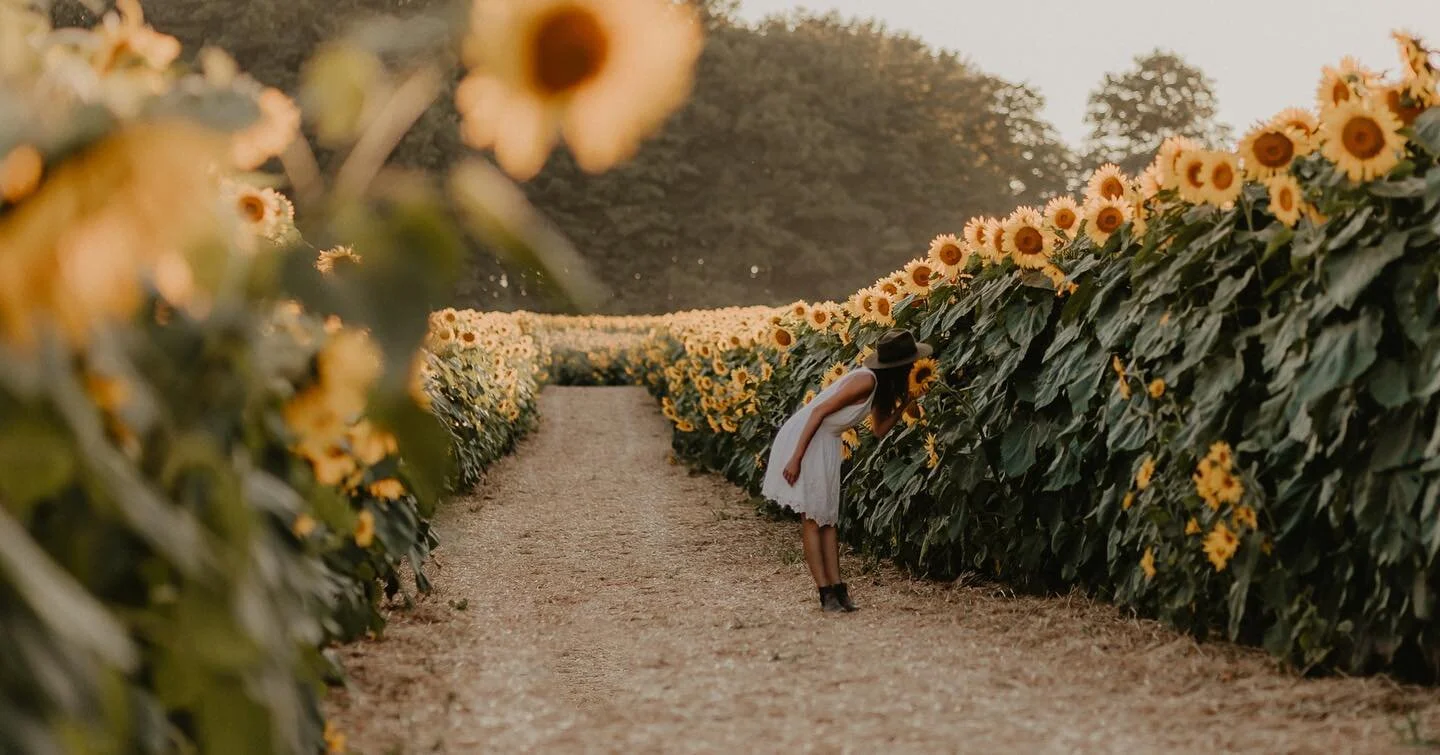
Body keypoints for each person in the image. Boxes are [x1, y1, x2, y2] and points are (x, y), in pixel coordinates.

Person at [760, 329, 933, 613]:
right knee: (813, 518)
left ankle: (839, 589)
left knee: (828, 518)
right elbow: (817, 412)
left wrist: (907, 401)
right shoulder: (866, 380)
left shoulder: (881, 388)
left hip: (827, 441)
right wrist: (796, 458)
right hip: (807, 438)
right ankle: (825, 593)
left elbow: (879, 430)